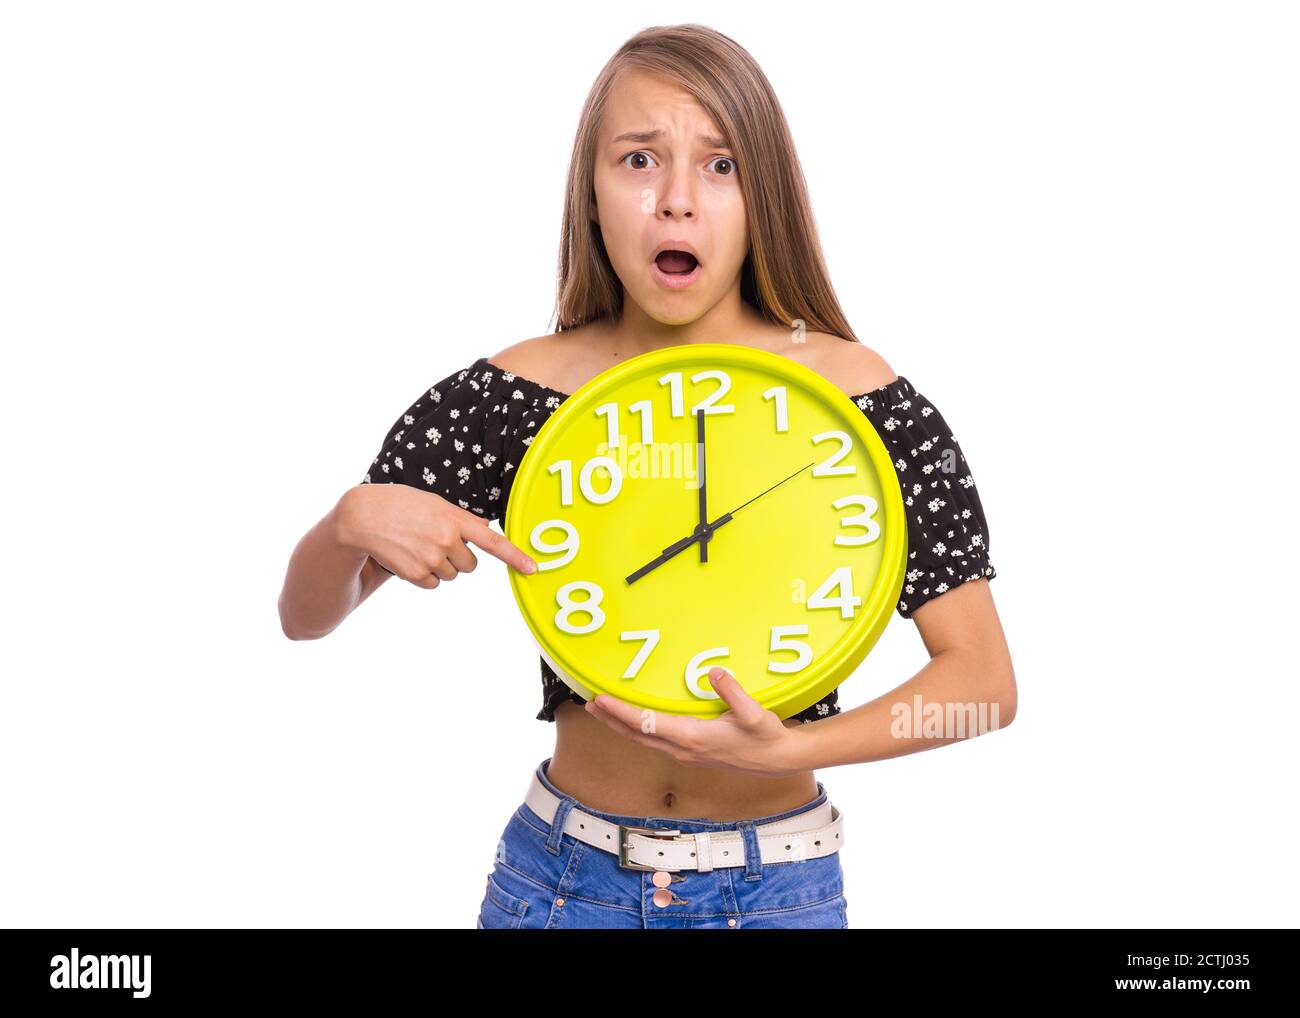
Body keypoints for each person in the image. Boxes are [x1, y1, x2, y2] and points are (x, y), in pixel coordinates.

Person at [278, 24, 1016, 929]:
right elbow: (304, 619)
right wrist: (349, 521)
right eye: (638, 159)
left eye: (720, 165)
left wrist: (793, 745)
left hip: (776, 887)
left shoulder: (859, 402)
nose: (676, 201)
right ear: (591, 192)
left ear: (765, 197)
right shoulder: (520, 394)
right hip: (559, 883)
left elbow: (981, 688)